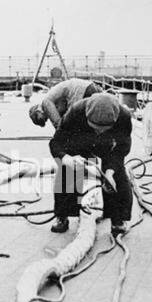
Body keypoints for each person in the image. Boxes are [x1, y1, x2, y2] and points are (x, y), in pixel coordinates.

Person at [48, 93, 133, 237]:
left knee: (116, 177)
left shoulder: (124, 116)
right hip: (80, 140)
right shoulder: (76, 111)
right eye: (95, 127)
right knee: (67, 170)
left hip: (108, 145)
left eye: (102, 128)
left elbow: (122, 148)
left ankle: (117, 220)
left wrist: (110, 172)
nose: (98, 131)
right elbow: (57, 142)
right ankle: (62, 215)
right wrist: (66, 158)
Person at [28, 77, 99, 129]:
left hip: (82, 92)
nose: (46, 119)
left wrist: (60, 136)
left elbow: (58, 124)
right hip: (89, 86)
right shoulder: (53, 100)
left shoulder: (46, 102)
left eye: (42, 119)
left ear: (38, 111)